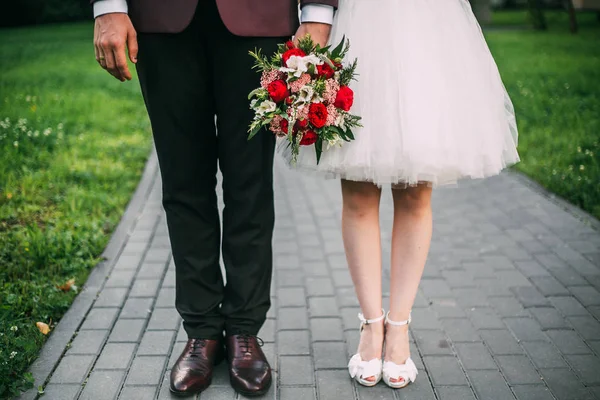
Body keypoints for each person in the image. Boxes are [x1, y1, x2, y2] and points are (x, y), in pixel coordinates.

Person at [91, 0, 337, 396]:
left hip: (260, 18)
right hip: (160, 19)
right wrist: (108, 6)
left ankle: (243, 329)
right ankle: (202, 331)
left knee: (251, 185)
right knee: (183, 184)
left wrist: (318, 14)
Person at [281, 0, 520, 389]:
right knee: (358, 191)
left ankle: (399, 326)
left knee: (414, 190)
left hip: (424, 25)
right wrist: (316, 17)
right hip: (358, 20)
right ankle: (372, 326)